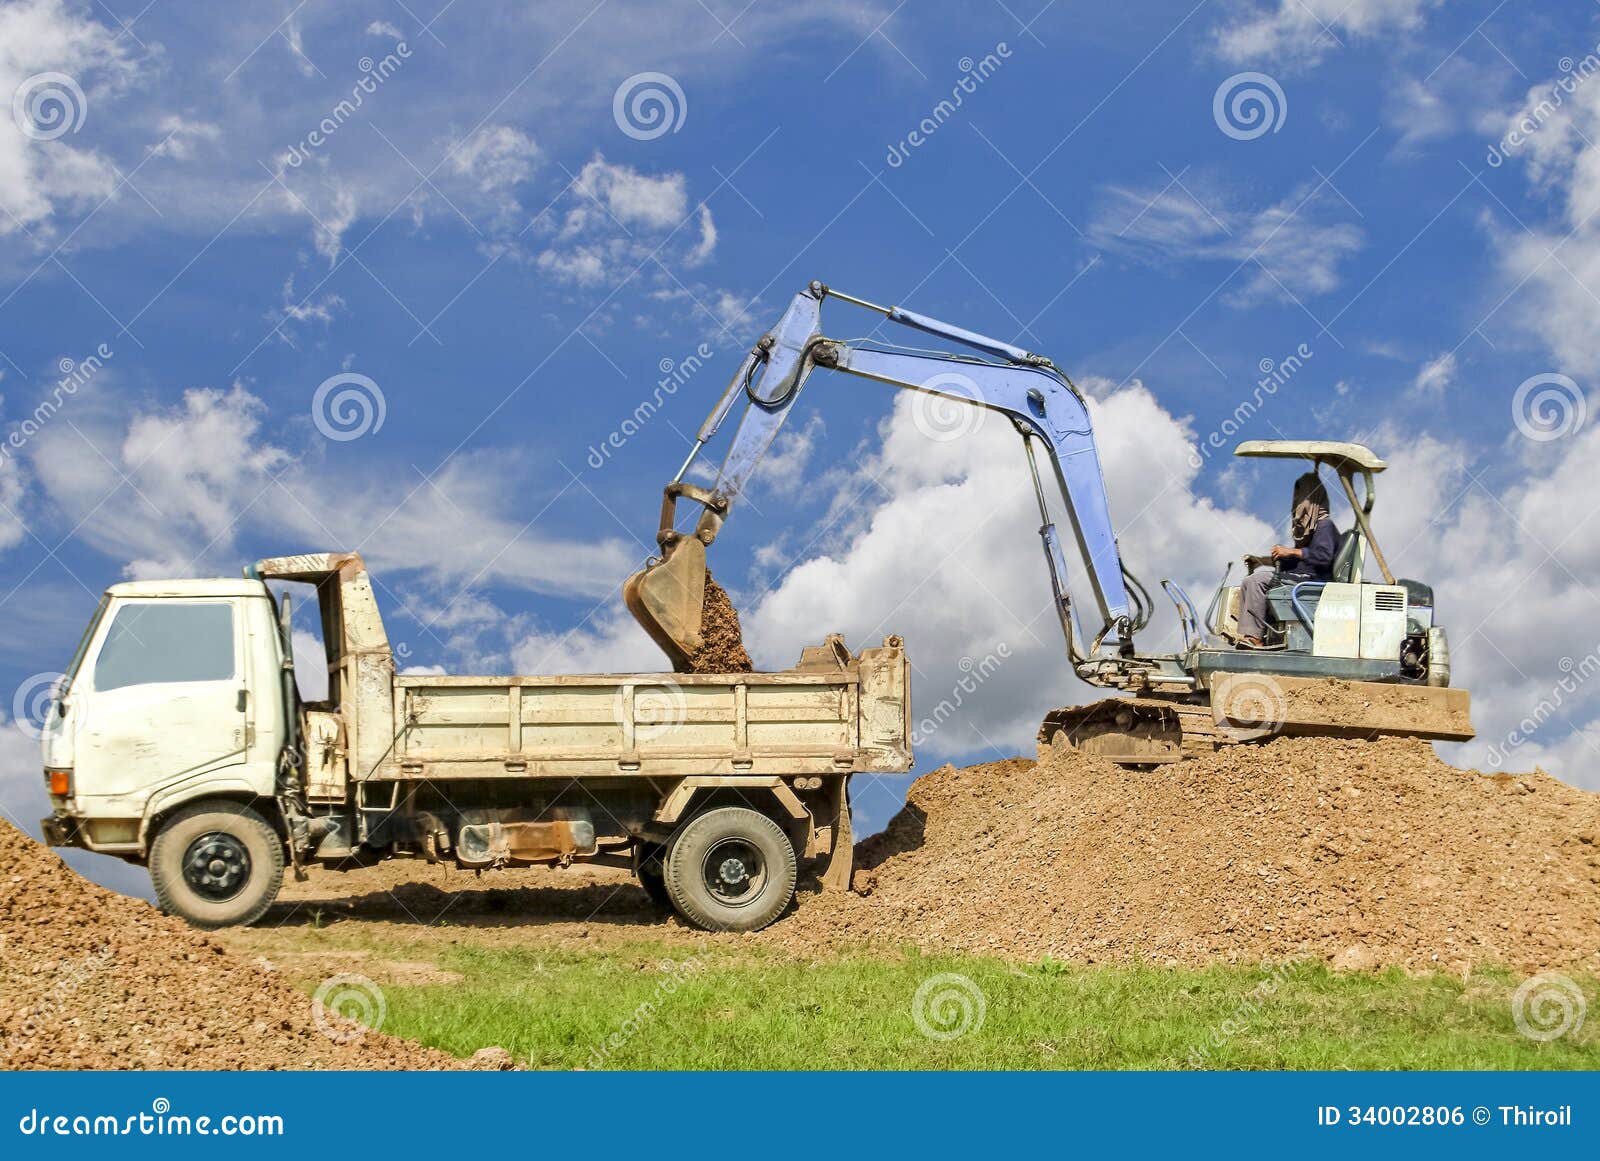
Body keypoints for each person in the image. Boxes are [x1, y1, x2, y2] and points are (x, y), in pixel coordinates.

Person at [1236, 471, 1339, 648]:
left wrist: (1290, 552)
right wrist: (1260, 561)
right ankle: (1251, 634)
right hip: (1298, 577)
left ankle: (1255, 638)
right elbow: (1293, 560)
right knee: (1248, 581)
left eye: (1303, 498)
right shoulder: (1310, 530)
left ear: (1313, 499)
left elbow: (1323, 557)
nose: (1298, 503)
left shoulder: (1325, 526)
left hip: (1311, 582)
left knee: (1258, 581)